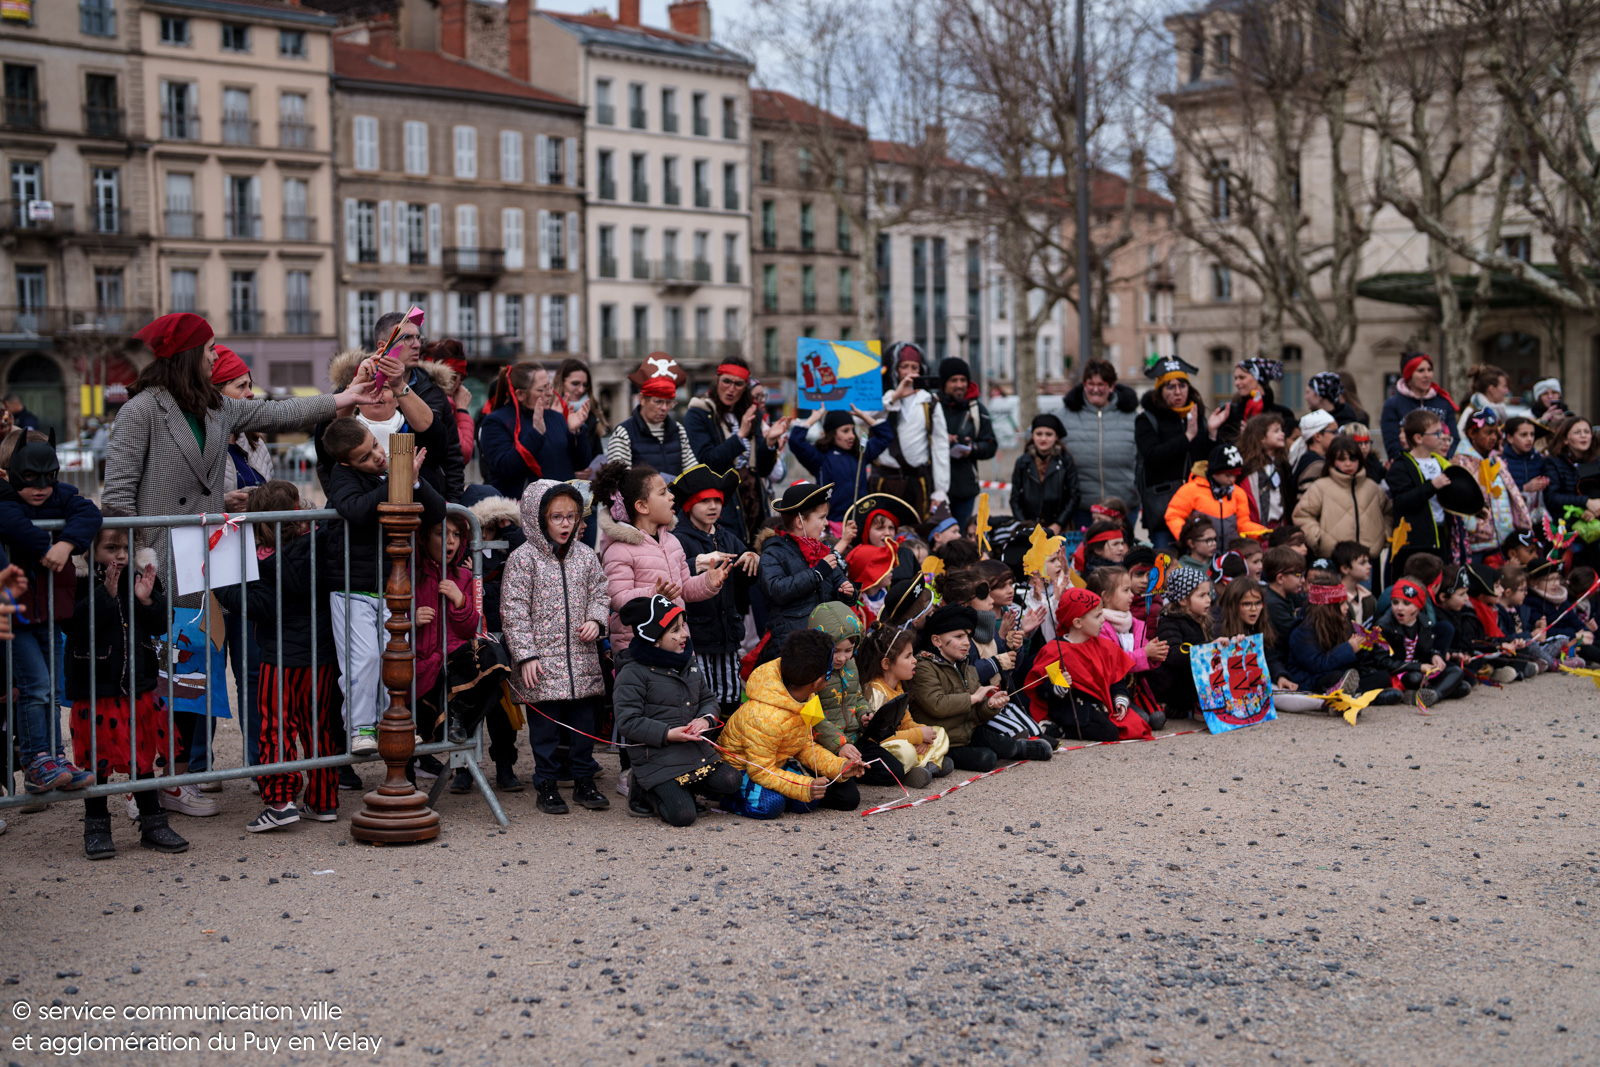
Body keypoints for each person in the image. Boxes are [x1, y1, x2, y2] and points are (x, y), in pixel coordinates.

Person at [103, 313, 374, 567]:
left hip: (213, 553)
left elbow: (279, 412)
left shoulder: (215, 406)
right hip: (159, 558)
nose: (214, 356)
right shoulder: (140, 411)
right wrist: (132, 559)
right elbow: (118, 496)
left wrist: (348, 395)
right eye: (209, 348)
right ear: (190, 355)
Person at [213, 488, 343, 832]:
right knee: (319, 727)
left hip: (280, 658)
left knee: (275, 729)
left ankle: (279, 801)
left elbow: (261, 606)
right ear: (298, 509)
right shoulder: (321, 543)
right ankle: (324, 800)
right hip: (321, 655)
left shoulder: (266, 563)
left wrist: (221, 583)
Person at [320, 416, 447, 756]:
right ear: (346, 462)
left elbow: (438, 510)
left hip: (393, 585)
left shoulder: (392, 465)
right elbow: (355, 510)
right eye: (365, 457)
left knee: (395, 658)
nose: (376, 456)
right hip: (353, 586)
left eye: (374, 445)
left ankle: (396, 721)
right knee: (364, 659)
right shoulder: (344, 476)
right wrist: (395, 479)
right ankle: (361, 727)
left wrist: (413, 480)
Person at [66, 517, 187, 857]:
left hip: (137, 686)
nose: (119, 555)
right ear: (91, 550)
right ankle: (96, 826)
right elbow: (75, 626)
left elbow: (161, 624)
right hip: (96, 688)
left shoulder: (140, 577)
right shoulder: (79, 581)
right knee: (97, 763)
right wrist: (105, 594)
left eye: (125, 548)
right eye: (110, 548)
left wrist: (147, 600)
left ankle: (154, 823)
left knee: (142, 757)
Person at [502, 479, 611, 815]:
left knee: (583, 728)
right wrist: (526, 655)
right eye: (557, 517)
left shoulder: (586, 555)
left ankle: (583, 781)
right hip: (542, 664)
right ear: (538, 518)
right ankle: (546, 784)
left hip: (581, 661)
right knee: (546, 731)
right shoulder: (523, 559)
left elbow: (600, 592)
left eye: (572, 516)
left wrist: (596, 619)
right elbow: (513, 611)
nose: (566, 524)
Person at [0, 439, 100, 795]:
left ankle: (54, 758)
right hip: (16, 616)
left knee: (51, 691)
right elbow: (11, 523)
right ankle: (36, 760)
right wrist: (47, 547)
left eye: (48, 479)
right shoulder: (7, 500)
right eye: (29, 478)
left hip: (50, 614)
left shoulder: (62, 495)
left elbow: (90, 512)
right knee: (36, 688)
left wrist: (66, 543)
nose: (40, 489)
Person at [613, 594, 743, 826]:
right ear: (654, 639)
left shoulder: (687, 663)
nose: (685, 634)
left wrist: (705, 720)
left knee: (732, 781)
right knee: (683, 816)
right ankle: (644, 789)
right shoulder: (632, 673)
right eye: (675, 630)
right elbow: (628, 721)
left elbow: (709, 699)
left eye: (683, 626)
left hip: (694, 750)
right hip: (656, 756)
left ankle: (683, 788)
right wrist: (668, 734)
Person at [718, 628, 865, 818]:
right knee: (771, 806)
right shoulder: (765, 718)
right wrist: (804, 786)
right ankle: (729, 800)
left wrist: (840, 766)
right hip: (742, 768)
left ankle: (777, 793)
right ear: (820, 681)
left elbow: (803, 745)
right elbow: (760, 771)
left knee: (809, 800)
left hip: (774, 760)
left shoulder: (804, 694)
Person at [910, 604, 1052, 769]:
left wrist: (990, 705)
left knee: (1005, 745)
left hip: (968, 732)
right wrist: (973, 698)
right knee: (987, 759)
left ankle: (1018, 748)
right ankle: (941, 759)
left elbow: (975, 715)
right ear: (936, 640)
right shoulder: (923, 666)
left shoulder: (964, 665)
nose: (966, 643)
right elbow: (936, 704)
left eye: (968, 637)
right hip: (943, 738)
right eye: (958, 636)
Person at [669, 465, 758, 718]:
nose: (713, 506)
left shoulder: (727, 537)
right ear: (688, 505)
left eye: (717, 501)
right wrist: (698, 563)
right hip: (697, 635)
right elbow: (674, 575)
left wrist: (753, 558)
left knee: (730, 698)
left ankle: (725, 750)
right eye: (704, 500)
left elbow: (746, 574)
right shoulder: (678, 539)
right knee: (702, 698)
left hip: (727, 634)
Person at [314, 349, 455, 503]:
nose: (377, 392)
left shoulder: (412, 430)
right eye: (369, 386)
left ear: (397, 399)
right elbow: (326, 439)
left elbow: (437, 440)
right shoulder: (344, 436)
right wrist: (354, 386)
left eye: (385, 387)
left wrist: (399, 384)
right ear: (356, 402)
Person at [682, 357, 785, 545]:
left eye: (738, 384)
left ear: (745, 387)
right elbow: (707, 461)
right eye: (726, 381)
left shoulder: (752, 413)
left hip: (754, 502)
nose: (731, 388)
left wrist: (770, 443)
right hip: (724, 503)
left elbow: (764, 469)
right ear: (717, 380)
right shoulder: (699, 412)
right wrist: (740, 436)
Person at [368, 310, 464, 499]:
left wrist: (452, 505)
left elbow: (452, 455)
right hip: (368, 502)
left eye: (419, 338)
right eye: (407, 338)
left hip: (425, 502)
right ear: (383, 346)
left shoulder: (433, 391)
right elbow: (329, 455)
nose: (417, 345)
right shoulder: (358, 386)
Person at [756, 482, 853, 664]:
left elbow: (838, 581)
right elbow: (776, 590)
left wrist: (847, 592)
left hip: (825, 640)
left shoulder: (823, 550)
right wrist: (816, 574)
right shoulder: (774, 552)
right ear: (800, 521)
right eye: (822, 517)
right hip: (793, 646)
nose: (826, 523)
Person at [1135, 356, 1224, 548]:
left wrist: (1212, 434)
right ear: (1160, 391)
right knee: (1167, 566)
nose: (1178, 392)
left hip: (1198, 507)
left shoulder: (1197, 416)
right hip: (1164, 509)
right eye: (1170, 386)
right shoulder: (1147, 419)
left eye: (1182, 386)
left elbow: (1208, 462)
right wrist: (1187, 437)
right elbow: (1152, 456)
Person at [1286, 571, 1407, 702]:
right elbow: (1318, 665)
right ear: (1328, 607)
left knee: (1382, 676)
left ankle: (1357, 695)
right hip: (1312, 679)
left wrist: (1363, 647)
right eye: (1341, 604)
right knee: (1337, 677)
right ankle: (1369, 697)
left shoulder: (1341, 621)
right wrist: (1349, 648)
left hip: (1341, 673)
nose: (1346, 608)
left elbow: (1354, 663)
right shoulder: (1303, 631)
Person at [478, 363, 594, 500]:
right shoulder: (496, 421)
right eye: (542, 390)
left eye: (549, 386)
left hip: (564, 510)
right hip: (523, 513)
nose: (550, 393)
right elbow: (505, 468)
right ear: (520, 394)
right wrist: (536, 434)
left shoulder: (555, 416)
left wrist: (575, 432)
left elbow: (582, 464)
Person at [857, 626, 952, 783]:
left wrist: (921, 735)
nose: (914, 660)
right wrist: (917, 736)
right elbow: (878, 739)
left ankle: (922, 768)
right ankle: (929, 765)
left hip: (900, 738)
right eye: (908, 656)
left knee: (939, 732)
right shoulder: (875, 690)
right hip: (883, 747)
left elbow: (906, 722)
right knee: (906, 750)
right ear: (886, 664)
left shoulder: (899, 686)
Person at [1056, 360, 1141, 528]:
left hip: (1124, 507)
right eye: (1090, 384)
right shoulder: (1064, 416)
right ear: (1084, 384)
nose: (1095, 389)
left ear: (1111, 386)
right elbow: (1038, 435)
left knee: (1120, 552)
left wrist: (1136, 490)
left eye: (1101, 384)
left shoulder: (1132, 417)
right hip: (1082, 510)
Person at [873, 342, 951, 517]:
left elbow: (940, 446)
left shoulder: (929, 402)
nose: (909, 372)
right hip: (885, 481)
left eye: (914, 367)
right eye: (904, 366)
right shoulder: (882, 397)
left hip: (916, 482)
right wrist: (894, 397)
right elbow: (860, 418)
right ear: (895, 369)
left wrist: (940, 489)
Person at [1086, 566, 1169, 730]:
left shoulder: (1136, 624)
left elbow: (1144, 654)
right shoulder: (1099, 626)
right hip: (1112, 691)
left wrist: (1155, 654)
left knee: (1158, 719)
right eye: (1126, 591)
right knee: (1143, 720)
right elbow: (1112, 663)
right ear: (1106, 596)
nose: (1132, 595)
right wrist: (1145, 654)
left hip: (1135, 688)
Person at [788, 406, 893, 531]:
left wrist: (862, 415)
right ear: (832, 433)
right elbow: (795, 441)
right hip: (831, 527)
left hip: (859, 524)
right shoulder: (820, 458)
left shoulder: (860, 455)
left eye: (853, 430)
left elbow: (886, 436)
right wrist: (814, 418)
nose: (851, 436)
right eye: (845, 431)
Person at [1292, 436, 1393, 560]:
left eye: (1353, 458)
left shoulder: (1372, 487)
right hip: (1333, 558)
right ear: (1332, 460)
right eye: (1341, 459)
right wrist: (1319, 539)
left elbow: (1388, 513)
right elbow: (1302, 515)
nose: (1348, 463)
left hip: (1367, 559)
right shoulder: (1321, 487)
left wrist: (1384, 536)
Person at [1453, 408, 1532, 559]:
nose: (1494, 437)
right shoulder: (1461, 463)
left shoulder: (1495, 461)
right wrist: (1474, 526)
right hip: (1476, 543)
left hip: (1501, 540)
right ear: (1472, 434)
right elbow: (1460, 503)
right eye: (1488, 432)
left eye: (1495, 432)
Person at [1386, 409, 1459, 574]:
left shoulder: (1441, 463)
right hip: (1414, 541)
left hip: (1440, 536)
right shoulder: (1401, 466)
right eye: (1436, 433)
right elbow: (1403, 501)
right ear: (1418, 438)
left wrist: (1474, 508)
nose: (1441, 437)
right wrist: (1431, 486)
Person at [1376, 577, 1469, 702]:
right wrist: (1419, 667)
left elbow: (1427, 648)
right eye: (1395, 602)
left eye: (1406, 603)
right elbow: (1383, 662)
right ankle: (1432, 692)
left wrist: (1434, 656)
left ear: (1418, 606)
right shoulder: (1384, 626)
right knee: (1415, 679)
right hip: (1402, 673)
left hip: (1421, 670)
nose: (1399, 608)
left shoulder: (1424, 622)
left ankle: (1433, 695)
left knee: (1458, 674)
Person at [604, 357, 698, 478]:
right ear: (642, 399)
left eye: (669, 403)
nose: (664, 408)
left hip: (675, 496)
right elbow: (618, 479)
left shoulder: (678, 430)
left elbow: (693, 471)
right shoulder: (623, 433)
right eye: (658, 402)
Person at [1164, 442, 1269, 545]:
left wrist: (1259, 532)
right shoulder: (1191, 490)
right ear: (1214, 471)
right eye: (1228, 475)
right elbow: (1173, 516)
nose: (1232, 479)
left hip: (1229, 554)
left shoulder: (1238, 493)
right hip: (1200, 555)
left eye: (1236, 475)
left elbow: (1242, 524)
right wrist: (1187, 538)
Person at [935, 358, 998, 525]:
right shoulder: (932, 406)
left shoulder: (977, 409)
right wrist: (941, 440)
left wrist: (972, 448)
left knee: (960, 539)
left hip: (965, 488)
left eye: (963, 380)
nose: (959, 385)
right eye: (953, 380)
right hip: (935, 487)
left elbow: (991, 444)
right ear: (944, 383)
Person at [211, 345, 273, 509]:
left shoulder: (256, 442)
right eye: (241, 386)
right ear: (217, 394)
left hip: (258, 534)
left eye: (250, 386)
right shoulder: (199, 443)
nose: (250, 393)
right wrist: (223, 502)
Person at [1146, 566, 1212, 720]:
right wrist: (1206, 649)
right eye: (1202, 595)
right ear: (1183, 600)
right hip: (1174, 690)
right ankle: (1178, 708)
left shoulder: (1201, 619)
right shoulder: (1170, 623)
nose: (1208, 599)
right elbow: (1175, 656)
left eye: (1208, 594)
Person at [1214, 577, 1297, 696]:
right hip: (1228, 691)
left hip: (1255, 688)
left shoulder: (1261, 625)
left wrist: (1280, 676)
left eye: (1258, 603)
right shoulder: (1218, 627)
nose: (1254, 609)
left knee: (1287, 694)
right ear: (1233, 605)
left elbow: (1270, 657)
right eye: (1246, 604)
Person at [1008, 413, 1080, 534]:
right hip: (1030, 529)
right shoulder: (1022, 462)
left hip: (1060, 527)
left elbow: (1074, 496)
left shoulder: (1066, 461)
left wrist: (1058, 524)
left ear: (1056, 436)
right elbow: (1015, 498)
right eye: (1039, 434)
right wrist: (1025, 525)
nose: (1043, 438)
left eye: (1049, 434)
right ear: (1033, 435)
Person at [1380, 350, 1458, 461]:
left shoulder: (1443, 402)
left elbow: (1454, 439)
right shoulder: (1393, 405)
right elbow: (1392, 444)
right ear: (1409, 375)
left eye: (1429, 370)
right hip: (1408, 467)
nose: (1427, 375)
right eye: (1421, 371)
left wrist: (1442, 461)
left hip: (1441, 464)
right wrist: (1413, 463)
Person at [420, 339, 476, 464]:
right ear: (453, 377)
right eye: (460, 376)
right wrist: (462, 409)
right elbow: (463, 454)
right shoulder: (444, 402)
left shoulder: (421, 390)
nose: (461, 382)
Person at [1217, 357, 1295, 444]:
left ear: (1258, 379)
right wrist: (1212, 431)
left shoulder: (1283, 414)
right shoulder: (1229, 413)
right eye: (1236, 378)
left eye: (1242, 378)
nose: (1237, 383)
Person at [1237, 413, 1295, 529]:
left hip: (1280, 525)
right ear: (1261, 437)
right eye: (1276, 431)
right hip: (1256, 527)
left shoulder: (1282, 465)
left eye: (1281, 430)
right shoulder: (1248, 468)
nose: (1282, 434)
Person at [1542, 415, 1600, 524]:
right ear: (1565, 439)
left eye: (1587, 432)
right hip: (1565, 526)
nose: (1583, 436)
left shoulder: (1596, 461)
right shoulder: (1553, 462)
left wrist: (1595, 508)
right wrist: (1585, 503)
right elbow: (1552, 498)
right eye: (1577, 432)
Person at [1500, 417, 1553, 519]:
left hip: (1534, 516)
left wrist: (1545, 481)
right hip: (1509, 516)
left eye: (1532, 434)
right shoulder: (1501, 461)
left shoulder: (1538, 458)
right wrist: (1524, 488)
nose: (1529, 439)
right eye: (1523, 435)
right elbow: (1498, 492)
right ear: (1510, 438)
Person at [1261, 547, 1306, 644]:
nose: (1303, 581)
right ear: (1280, 578)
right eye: (1298, 575)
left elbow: (1307, 601)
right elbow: (1295, 634)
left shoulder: (1288, 594)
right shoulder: (1273, 604)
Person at [1456, 363, 1511, 437]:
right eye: (1504, 386)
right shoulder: (1472, 413)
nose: (1507, 390)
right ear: (1492, 389)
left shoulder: (1498, 411)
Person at [1290, 410, 1338, 491]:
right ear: (1318, 436)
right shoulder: (1315, 465)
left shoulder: (1314, 459)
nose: (1337, 436)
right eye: (1334, 432)